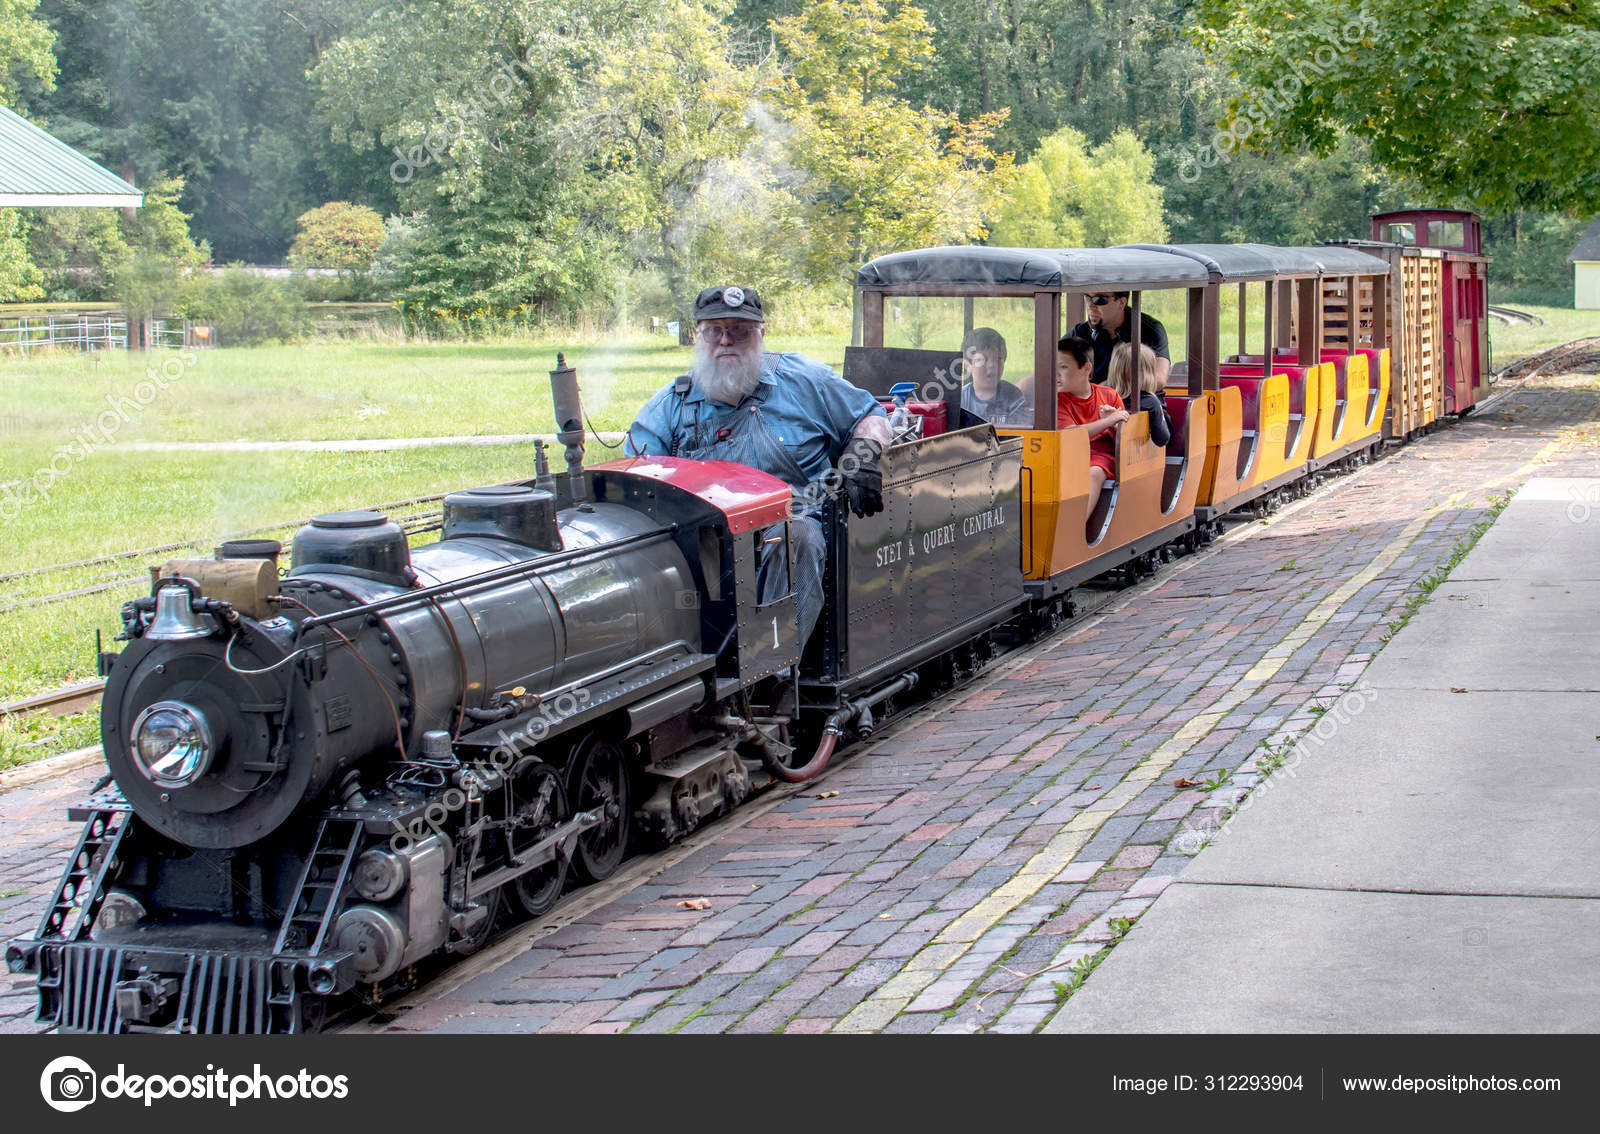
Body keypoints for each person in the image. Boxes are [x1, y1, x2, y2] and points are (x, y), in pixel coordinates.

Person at [626, 285, 890, 647]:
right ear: (698, 336)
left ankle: (773, 670)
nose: (726, 341)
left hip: (790, 523)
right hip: (705, 539)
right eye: (714, 330)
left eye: (739, 330)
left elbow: (870, 413)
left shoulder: (804, 380)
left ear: (761, 334)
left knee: (798, 538)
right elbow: (636, 477)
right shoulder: (672, 405)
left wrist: (863, 453)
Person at [1055, 333, 1127, 514]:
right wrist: (1109, 420)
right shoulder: (1057, 400)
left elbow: (1124, 436)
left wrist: (1113, 425)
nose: (1056, 374)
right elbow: (1073, 435)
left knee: (1094, 472)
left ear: (1086, 369)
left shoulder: (1109, 395)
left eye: (1063, 367)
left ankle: (1077, 527)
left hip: (1102, 455)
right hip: (1071, 454)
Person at [1070, 292, 1171, 388]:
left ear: (1122, 302)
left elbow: (1159, 379)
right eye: (1087, 298)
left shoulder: (1149, 330)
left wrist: (1106, 388)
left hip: (1138, 402)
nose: (1090, 305)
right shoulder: (1080, 332)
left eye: (1100, 299)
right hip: (1095, 402)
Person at [958, 326, 1032, 426]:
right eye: (981, 360)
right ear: (967, 366)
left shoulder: (1014, 398)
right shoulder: (961, 400)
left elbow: (1022, 434)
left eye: (998, 358)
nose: (992, 365)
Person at [1107, 341, 1172, 447]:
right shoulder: (1151, 402)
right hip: (1133, 456)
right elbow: (1162, 439)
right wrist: (1160, 410)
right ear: (1148, 373)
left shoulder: (1105, 396)